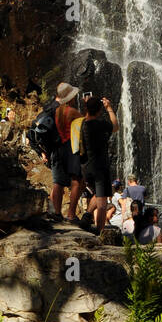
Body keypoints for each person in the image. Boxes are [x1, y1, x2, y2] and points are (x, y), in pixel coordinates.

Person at [78, 94, 119, 232]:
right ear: (100, 111)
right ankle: (99, 231)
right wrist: (109, 108)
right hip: (100, 167)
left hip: (86, 167)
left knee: (96, 193)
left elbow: (87, 115)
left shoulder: (83, 123)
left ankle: (87, 215)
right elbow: (115, 126)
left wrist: (87, 104)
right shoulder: (101, 124)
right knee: (102, 202)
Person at [49, 82, 84, 223]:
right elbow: (85, 124)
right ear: (70, 98)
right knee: (77, 180)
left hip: (58, 147)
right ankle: (71, 214)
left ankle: (57, 213)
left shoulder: (56, 111)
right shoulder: (72, 112)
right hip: (71, 147)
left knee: (58, 182)